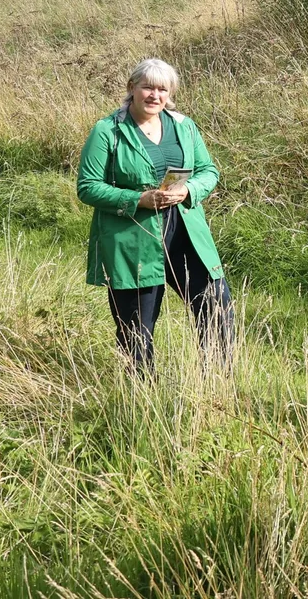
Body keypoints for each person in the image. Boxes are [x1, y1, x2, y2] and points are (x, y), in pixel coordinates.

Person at [75, 58, 234, 372]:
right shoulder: (107, 131)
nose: (154, 95)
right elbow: (87, 186)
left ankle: (218, 385)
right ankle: (141, 394)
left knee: (216, 305)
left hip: (185, 231)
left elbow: (208, 170)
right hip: (133, 236)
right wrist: (138, 199)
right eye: (148, 87)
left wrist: (188, 191)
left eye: (162, 89)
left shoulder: (184, 126)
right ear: (132, 88)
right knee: (137, 326)